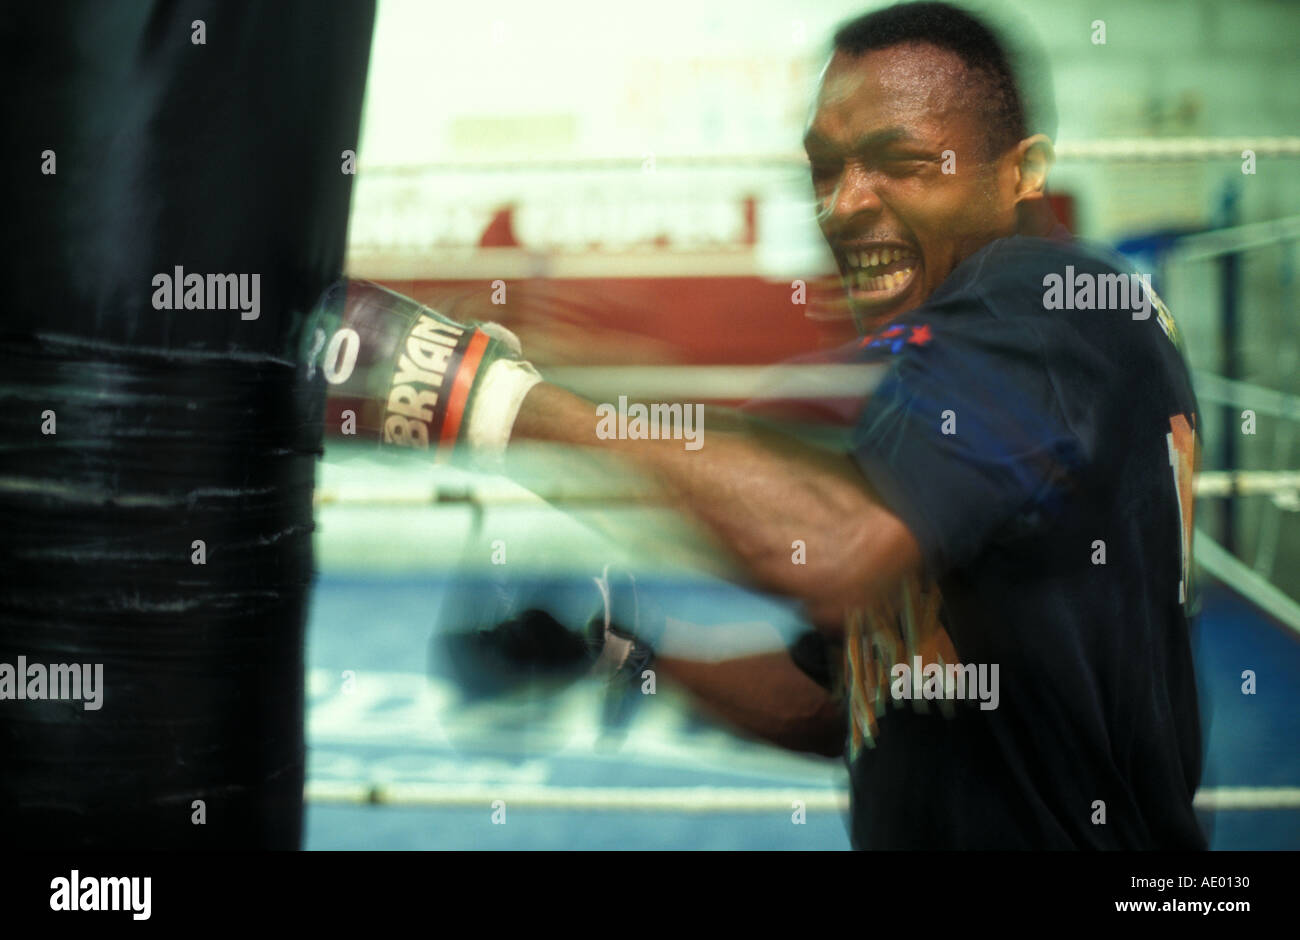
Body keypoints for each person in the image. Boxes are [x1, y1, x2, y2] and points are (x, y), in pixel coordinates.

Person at [321, 1, 1206, 849]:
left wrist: (478, 397)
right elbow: (836, 704)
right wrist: (625, 659)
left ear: (1021, 171)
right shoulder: (956, 382)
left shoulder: (1045, 303)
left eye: (900, 162)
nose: (846, 203)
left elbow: (836, 549)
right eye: (827, 166)